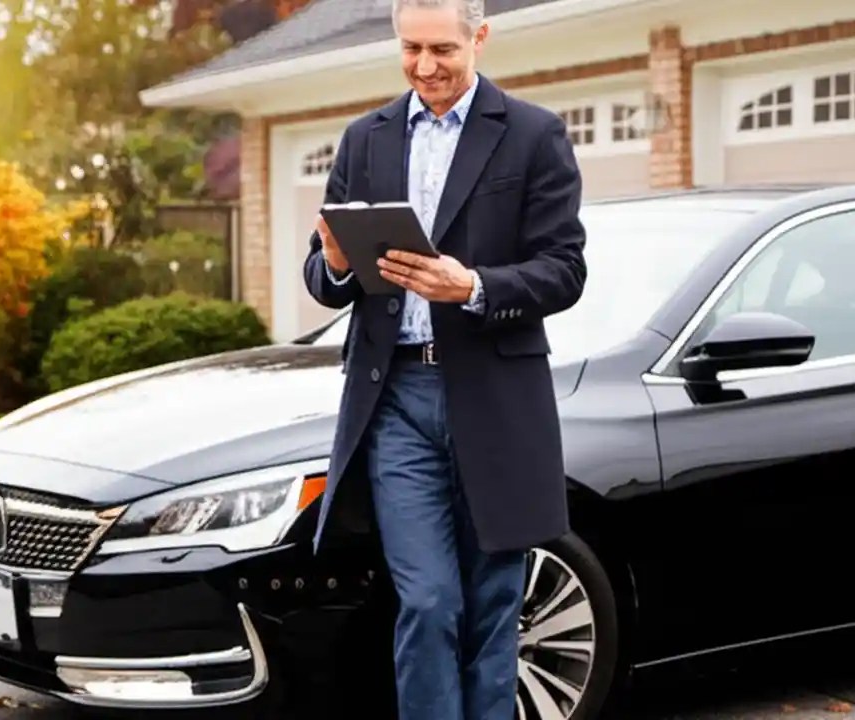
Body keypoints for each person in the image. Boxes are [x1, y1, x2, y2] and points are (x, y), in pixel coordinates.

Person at [301, 0, 586, 716]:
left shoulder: (532, 135)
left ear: (479, 38)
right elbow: (323, 276)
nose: (425, 66)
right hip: (395, 399)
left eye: (442, 50)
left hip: (496, 399)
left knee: (492, 608)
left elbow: (565, 269)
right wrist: (334, 264)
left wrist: (478, 286)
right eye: (410, 49)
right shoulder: (364, 139)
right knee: (427, 601)